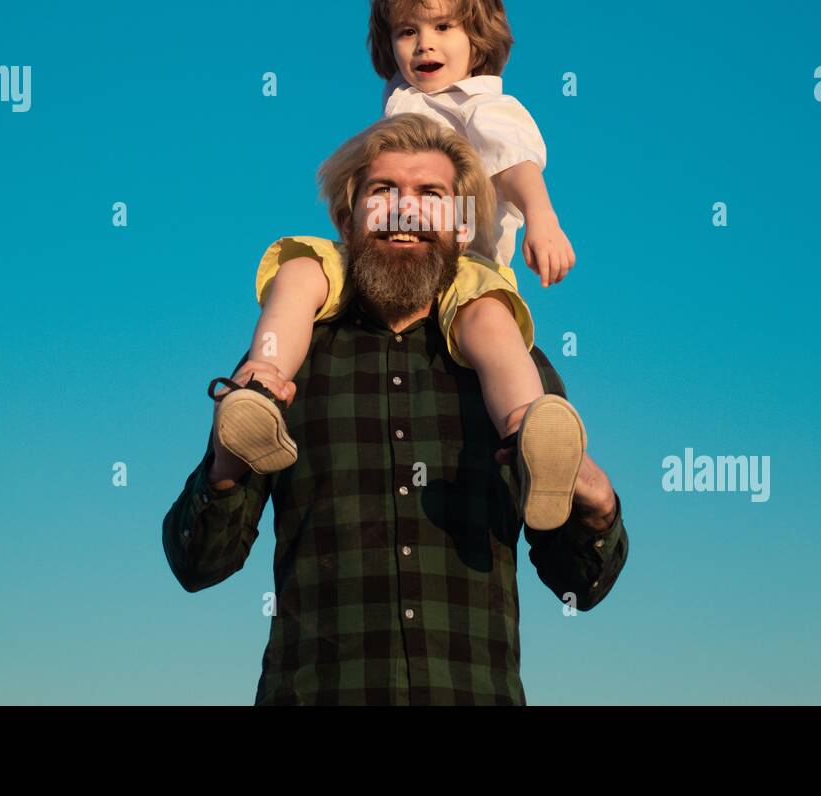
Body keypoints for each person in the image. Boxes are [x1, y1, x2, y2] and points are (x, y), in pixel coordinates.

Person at [162, 114, 628, 705]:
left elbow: (579, 583)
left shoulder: (511, 364)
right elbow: (197, 563)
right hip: (317, 693)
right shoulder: (289, 358)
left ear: (463, 230)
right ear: (345, 220)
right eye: (383, 192)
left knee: (543, 442)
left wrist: (596, 502)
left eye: (431, 196)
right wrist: (226, 464)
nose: (406, 210)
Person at [213, 0, 584, 529]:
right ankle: (261, 386)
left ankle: (528, 435)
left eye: (442, 30)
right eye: (407, 33)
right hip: (389, 248)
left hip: (461, 256)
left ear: (479, 39)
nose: (422, 44)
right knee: (302, 268)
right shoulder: (409, 95)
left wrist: (543, 220)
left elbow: (515, 164)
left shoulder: (483, 105)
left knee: (488, 319)